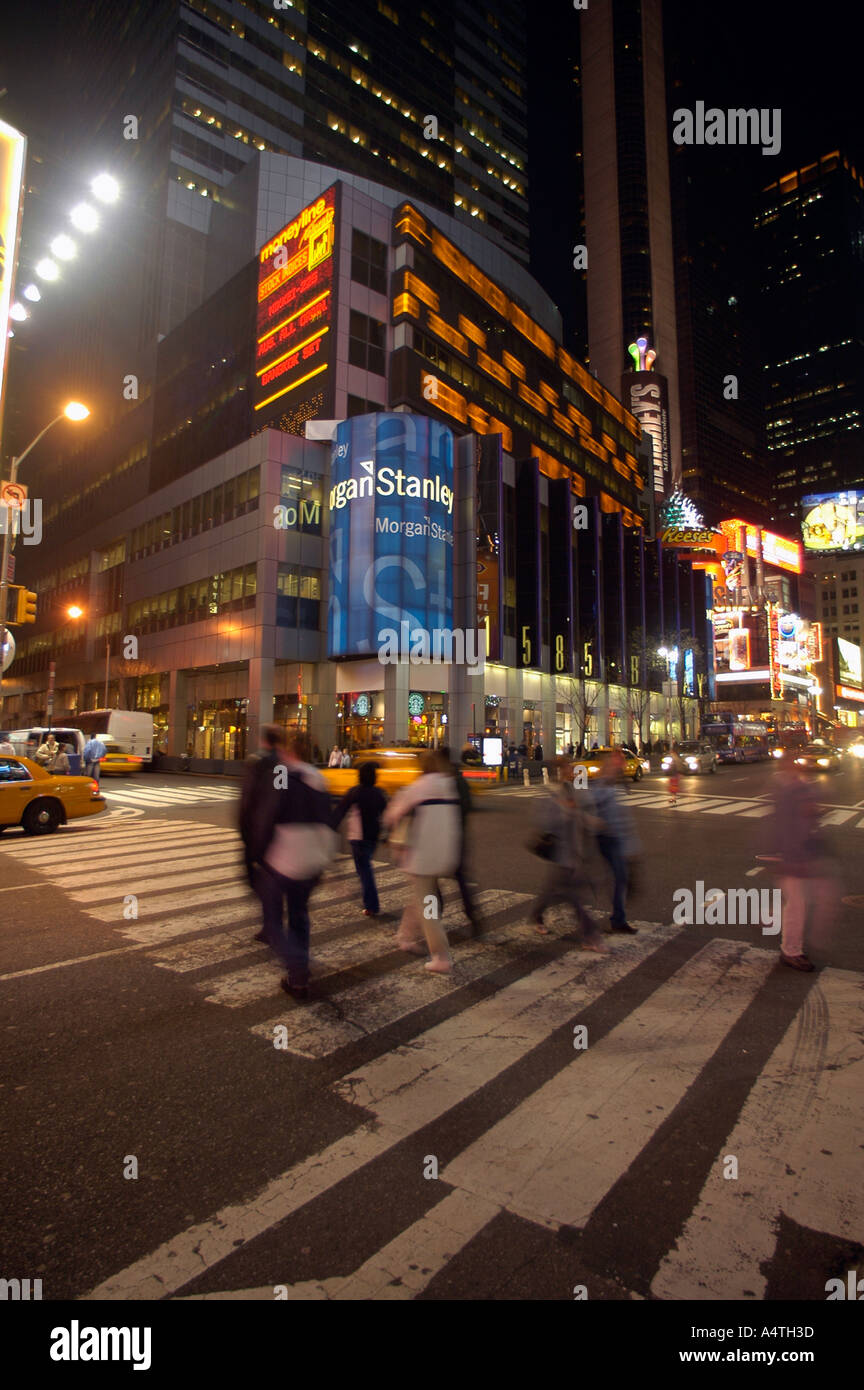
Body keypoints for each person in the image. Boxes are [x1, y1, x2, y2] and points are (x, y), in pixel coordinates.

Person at [252, 733, 337, 999]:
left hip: (284, 857)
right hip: (314, 858)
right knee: (299, 914)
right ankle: (298, 977)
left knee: (273, 921)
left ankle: (298, 967)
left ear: (288, 752)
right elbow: (330, 820)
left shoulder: (281, 774)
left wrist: (257, 851)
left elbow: (268, 814)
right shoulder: (320, 778)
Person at [383, 749, 462, 974]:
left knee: (428, 906)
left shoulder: (419, 786)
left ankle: (441, 956)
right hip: (445, 853)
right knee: (420, 896)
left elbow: (391, 815)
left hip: (422, 855)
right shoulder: (449, 784)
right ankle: (405, 936)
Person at [528, 760, 609, 951]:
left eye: (571, 769)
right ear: (558, 772)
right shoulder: (551, 794)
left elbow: (579, 813)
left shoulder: (571, 790)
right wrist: (565, 810)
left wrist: (591, 821)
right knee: (572, 896)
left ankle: (536, 915)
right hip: (561, 852)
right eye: (567, 769)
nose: (572, 772)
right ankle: (590, 935)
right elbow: (545, 822)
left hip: (574, 851)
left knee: (552, 889)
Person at [769, 763, 838, 972]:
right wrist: (789, 859)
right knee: (797, 905)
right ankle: (791, 951)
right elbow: (784, 828)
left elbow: (805, 823)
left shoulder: (799, 791)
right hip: (793, 859)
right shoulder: (791, 793)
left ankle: (784, 937)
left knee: (808, 901)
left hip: (802, 857)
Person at [238, 724, 289, 943]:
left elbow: (247, 801)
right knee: (271, 878)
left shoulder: (256, 762)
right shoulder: (282, 764)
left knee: (256, 878)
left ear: (263, 740)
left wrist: (245, 831)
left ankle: (271, 924)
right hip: (278, 830)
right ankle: (273, 921)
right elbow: (282, 795)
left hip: (258, 831)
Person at [590, 749, 639, 934]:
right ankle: (617, 919)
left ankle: (618, 918)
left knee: (621, 877)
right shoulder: (601, 785)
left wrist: (632, 844)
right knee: (618, 876)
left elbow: (622, 817)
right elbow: (590, 805)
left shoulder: (615, 785)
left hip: (615, 839)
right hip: (606, 839)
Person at [333, 760, 388, 917]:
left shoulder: (354, 792)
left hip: (358, 837)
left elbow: (340, 811)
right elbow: (386, 814)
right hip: (373, 836)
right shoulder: (379, 793)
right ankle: (370, 901)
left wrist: (330, 827)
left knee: (364, 871)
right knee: (364, 868)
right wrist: (387, 834)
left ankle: (372, 905)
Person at [439, 747, 480, 932]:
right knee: (461, 879)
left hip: (440, 838)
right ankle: (473, 915)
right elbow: (468, 805)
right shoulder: (459, 779)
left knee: (431, 881)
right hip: (458, 835)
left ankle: (433, 917)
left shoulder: (440, 781)